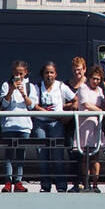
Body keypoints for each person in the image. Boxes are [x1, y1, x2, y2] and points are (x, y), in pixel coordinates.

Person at [36, 61, 75, 193]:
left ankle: (61, 186)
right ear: (43, 74)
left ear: (56, 74)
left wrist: (66, 113)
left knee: (57, 155)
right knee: (42, 155)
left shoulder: (61, 86)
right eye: (47, 72)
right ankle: (45, 186)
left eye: (51, 72)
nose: (49, 75)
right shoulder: (37, 86)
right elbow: (34, 105)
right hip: (41, 123)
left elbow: (75, 100)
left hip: (57, 123)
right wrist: (45, 112)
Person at [0, 60, 38, 192]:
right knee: (9, 155)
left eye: (21, 74)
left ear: (26, 73)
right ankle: (8, 182)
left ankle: (18, 181)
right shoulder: (6, 85)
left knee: (21, 154)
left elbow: (32, 106)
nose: (18, 76)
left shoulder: (30, 86)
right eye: (16, 73)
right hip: (9, 125)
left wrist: (23, 93)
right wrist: (11, 90)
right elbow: (4, 104)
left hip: (24, 126)